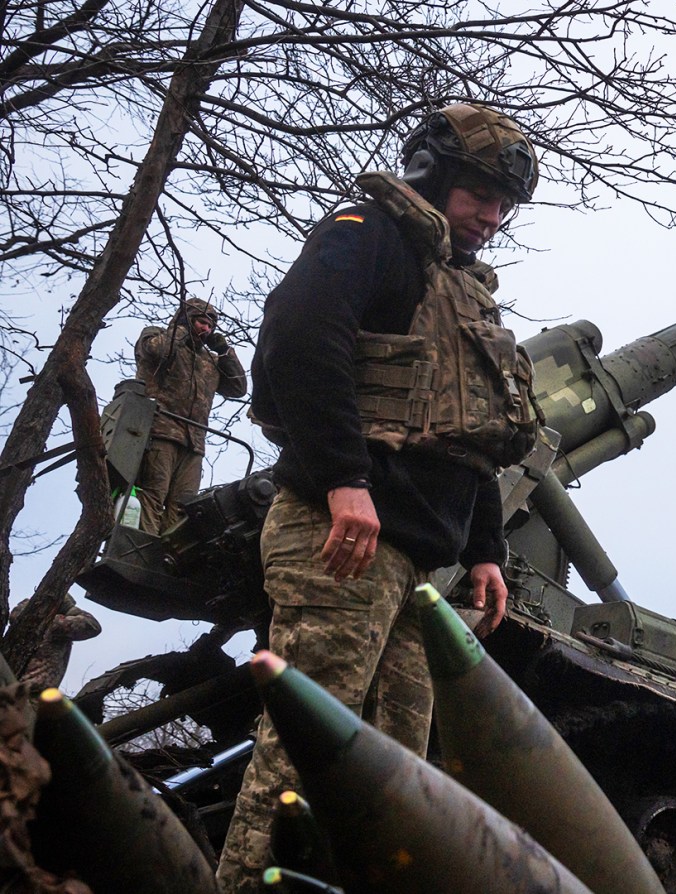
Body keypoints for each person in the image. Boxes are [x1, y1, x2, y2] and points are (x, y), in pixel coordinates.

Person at [216, 102, 542, 892]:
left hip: (416, 564)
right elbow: (301, 335)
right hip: (346, 540)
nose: (490, 218)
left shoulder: (458, 287)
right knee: (302, 755)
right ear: (431, 172)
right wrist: (344, 480)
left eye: (505, 206)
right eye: (479, 196)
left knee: (395, 773)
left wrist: (485, 550)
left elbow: (470, 434)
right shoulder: (369, 234)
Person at [132, 298, 247, 534]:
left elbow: (238, 388)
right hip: (160, 431)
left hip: (194, 442)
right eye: (201, 323)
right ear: (186, 318)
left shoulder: (209, 361)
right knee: (153, 493)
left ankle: (165, 559)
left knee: (183, 508)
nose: (206, 329)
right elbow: (156, 350)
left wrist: (224, 351)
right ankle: (140, 551)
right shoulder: (158, 336)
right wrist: (181, 330)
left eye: (210, 326)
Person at [7, 595, 101, 694]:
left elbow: (17, 614)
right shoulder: (52, 625)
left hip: (10, 690)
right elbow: (92, 626)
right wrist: (70, 609)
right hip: (30, 694)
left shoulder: (21, 624)